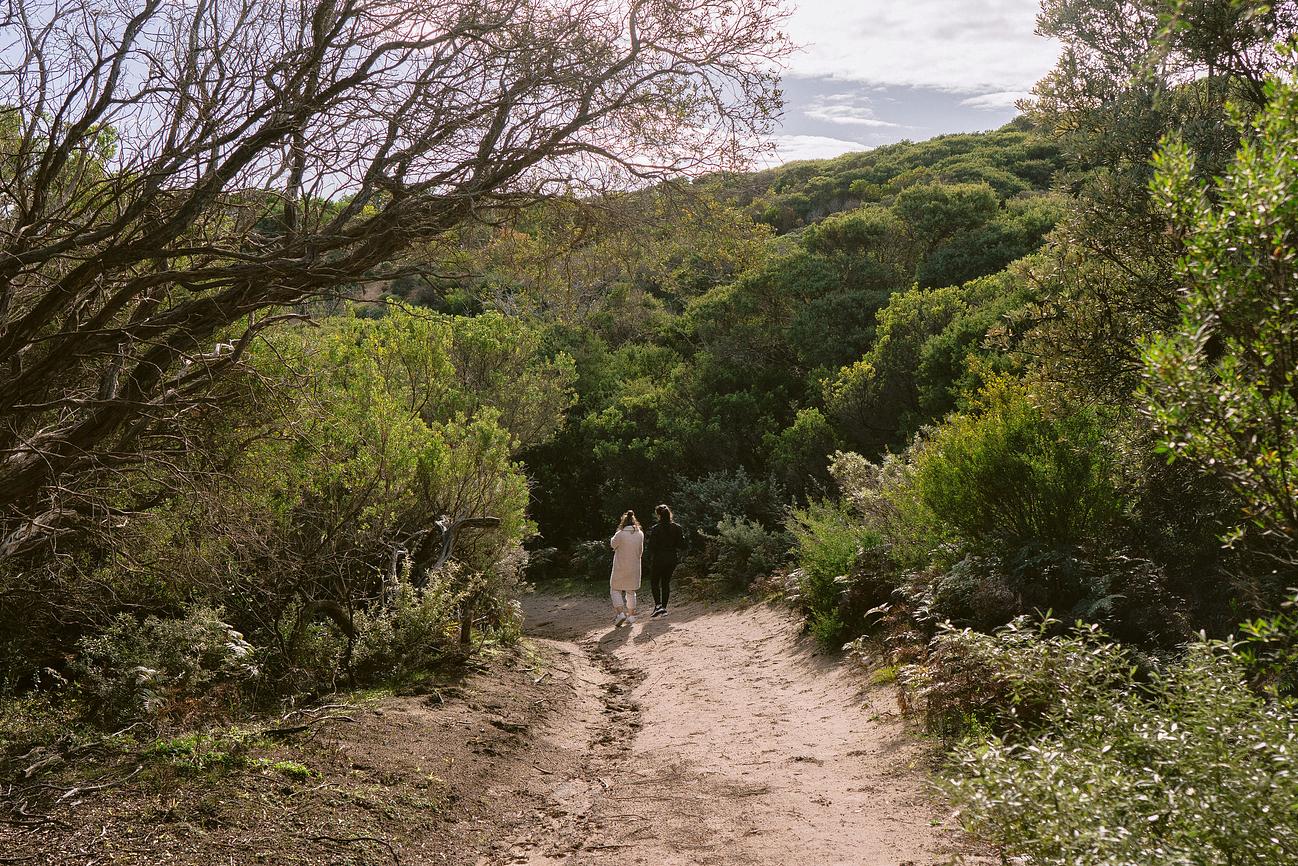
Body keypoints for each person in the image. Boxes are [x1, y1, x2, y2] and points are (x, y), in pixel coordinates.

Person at [645, 504, 684, 617]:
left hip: (659, 558)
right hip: (672, 558)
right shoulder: (677, 528)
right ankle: (664, 608)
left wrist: (649, 558)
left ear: (658, 515)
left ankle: (658, 605)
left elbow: (651, 546)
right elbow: (682, 545)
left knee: (654, 582)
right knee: (665, 583)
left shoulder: (656, 529)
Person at [609, 510, 644, 626]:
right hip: (634, 566)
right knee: (631, 591)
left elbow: (613, 545)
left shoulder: (620, 534)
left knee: (615, 589)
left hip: (620, 566)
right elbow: (640, 551)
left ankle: (620, 613)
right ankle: (631, 615)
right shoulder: (640, 534)